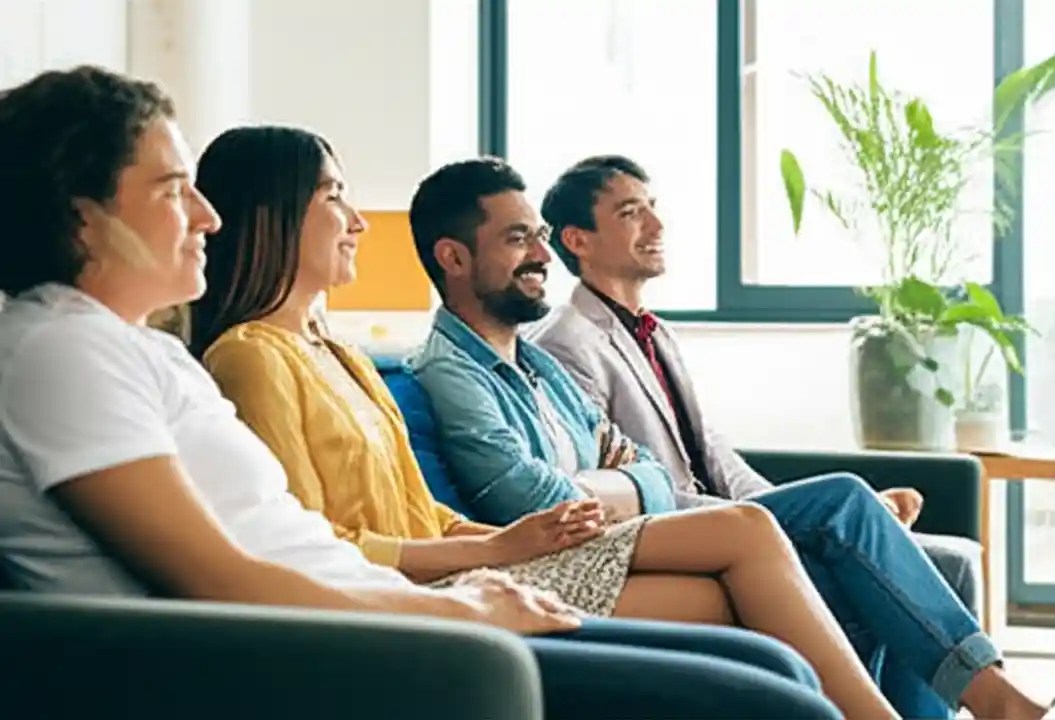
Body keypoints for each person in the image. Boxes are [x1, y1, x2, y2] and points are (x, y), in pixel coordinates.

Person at [0, 67, 847, 720]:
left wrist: (469, 582)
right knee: (776, 699)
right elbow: (216, 577)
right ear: (80, 215)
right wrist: (458, 608)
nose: (207, 216)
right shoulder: (61, 352)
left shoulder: (137, 352)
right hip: (330, 651)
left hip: (375, 618)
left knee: (778, 669)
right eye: (170, 189)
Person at [188, 126, 911, 720]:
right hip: (413, 597)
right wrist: (499, 548)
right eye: (334, 196)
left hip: (465, 562)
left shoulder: (339, 355)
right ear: (273, 213)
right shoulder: (251, 358)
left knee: (725, 586)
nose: (354, 221)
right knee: (748, 533)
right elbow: (317, 545)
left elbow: (422, 512)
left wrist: (496, 541)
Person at [407, 156, 1055, 720]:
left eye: (539, 237)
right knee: (844, 505)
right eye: (519, 238)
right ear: (455, 257)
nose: (542, 255)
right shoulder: (491, 361)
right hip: (612, 546)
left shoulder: (536, 360)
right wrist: (628, 486)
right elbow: (538, 500)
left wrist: (616, 484)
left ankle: (973, 700)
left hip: (654, 524)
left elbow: (661, 465)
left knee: (897, 543)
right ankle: (992, 698)